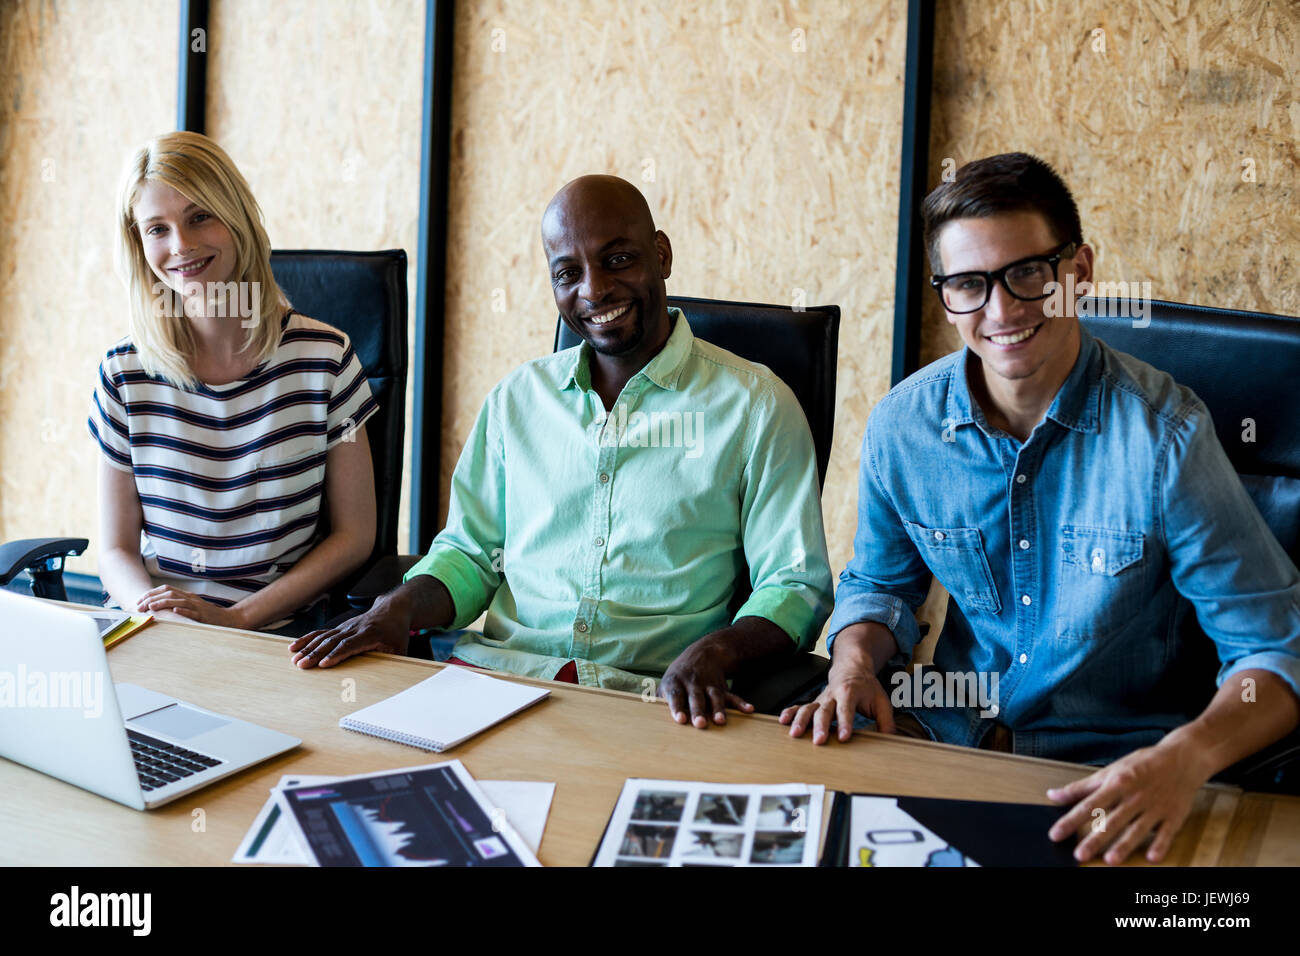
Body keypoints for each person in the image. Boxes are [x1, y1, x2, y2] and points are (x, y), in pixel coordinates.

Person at [781, 152, 1300, 864]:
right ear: (946, 297)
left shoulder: (1166, 438)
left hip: (1110, 777)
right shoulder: (903, 426)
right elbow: (879, 588)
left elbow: (1274, 650)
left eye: (1027, 273)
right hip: (943, 741)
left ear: (1078, 273)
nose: (1001, 311)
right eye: (969, 284)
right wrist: (852, 669)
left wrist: (1187, 759)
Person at [290, 174, 834, 728]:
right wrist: (396, 608)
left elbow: (794, 585)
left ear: (662, 254)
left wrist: (717, 652)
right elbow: (471, 557)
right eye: (568, 273)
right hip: (497, 684)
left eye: (618, 259)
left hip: (655, 701)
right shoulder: (515, 401)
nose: (594, 291)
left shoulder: (755, 404)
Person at [89, 131, 378, 636]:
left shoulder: (324, 359)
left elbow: (355, 535)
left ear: (237, 217)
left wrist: (234, 619)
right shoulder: (123, 372)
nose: (181, 246)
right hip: (153, 628)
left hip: (275, 633)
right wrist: (153, 612)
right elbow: (114, 549)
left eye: (200, 216)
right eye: (157, 229)